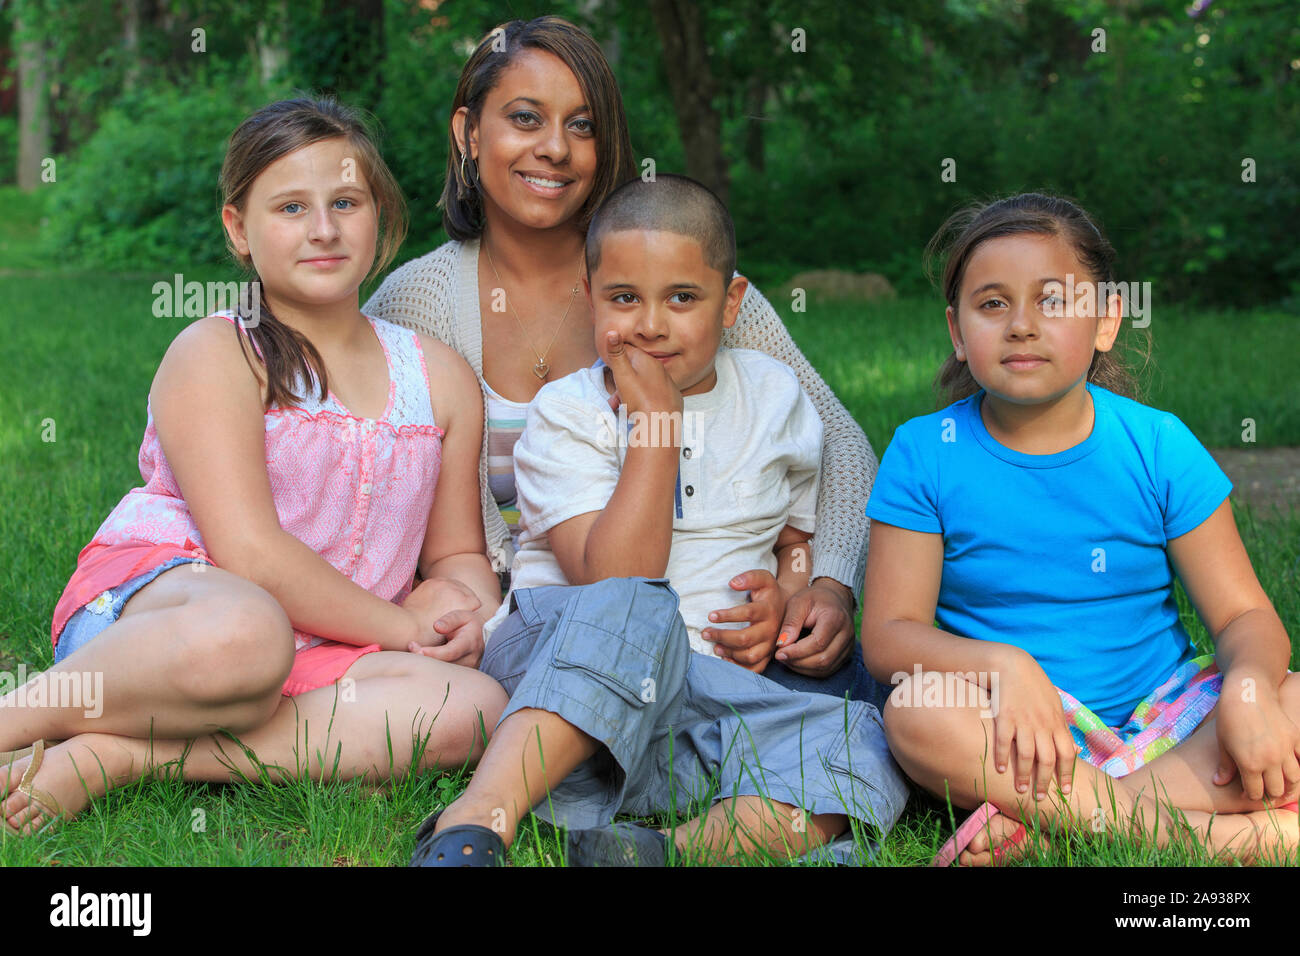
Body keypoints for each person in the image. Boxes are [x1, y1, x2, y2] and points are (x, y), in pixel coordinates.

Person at [0, 97, 506, 835]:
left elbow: (457, 550)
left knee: (475, 708)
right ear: (240, 228)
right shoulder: (220, 352)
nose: (324, 229)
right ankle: (19, 718)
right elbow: (249, 555)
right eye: (291, 208)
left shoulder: (440, 378)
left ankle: (121, 755)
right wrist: (401, 626)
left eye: (345, 202)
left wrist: (466, 612)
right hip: (180, 621)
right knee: (248, 636)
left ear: (381, 216)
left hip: (337, 648)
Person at [362, 15, 885, 707]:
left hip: (702, 611)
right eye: (525, 118)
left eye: (582, 126)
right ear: (468, 133)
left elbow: (839, 442)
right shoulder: (414, 304)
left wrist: (823, 585)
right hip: (520, 628)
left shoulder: (677, 291)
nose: (555, 148)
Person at [407, 174, 907, 867]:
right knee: (638, 606)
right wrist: (657, 426)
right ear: (590, 299)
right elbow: (616, 576)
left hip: (699, 705)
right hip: (564, 678)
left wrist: (792, 598)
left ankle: (658, 851)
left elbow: (794, 539)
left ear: (731, 303)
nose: (649, 323)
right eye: (623, 298)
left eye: (681, 298)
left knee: (866, 737)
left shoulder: (772, 396)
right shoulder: (568, 414)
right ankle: (478, 818)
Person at [862, 192, 1300, 865]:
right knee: (916, 710)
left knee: (1289, 696)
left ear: (1105, 320)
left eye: (1053, 301)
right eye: (992, 304)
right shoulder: (926, 452)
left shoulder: (1158, 445)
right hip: (1019, 734)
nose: (1021, 325)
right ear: (957, 331)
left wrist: (1246, 691)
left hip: (1168, 715)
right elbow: (890, 638)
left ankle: (1058, 824)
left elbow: (1244, 613)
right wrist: (1005, 665)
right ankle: (1211, 835)